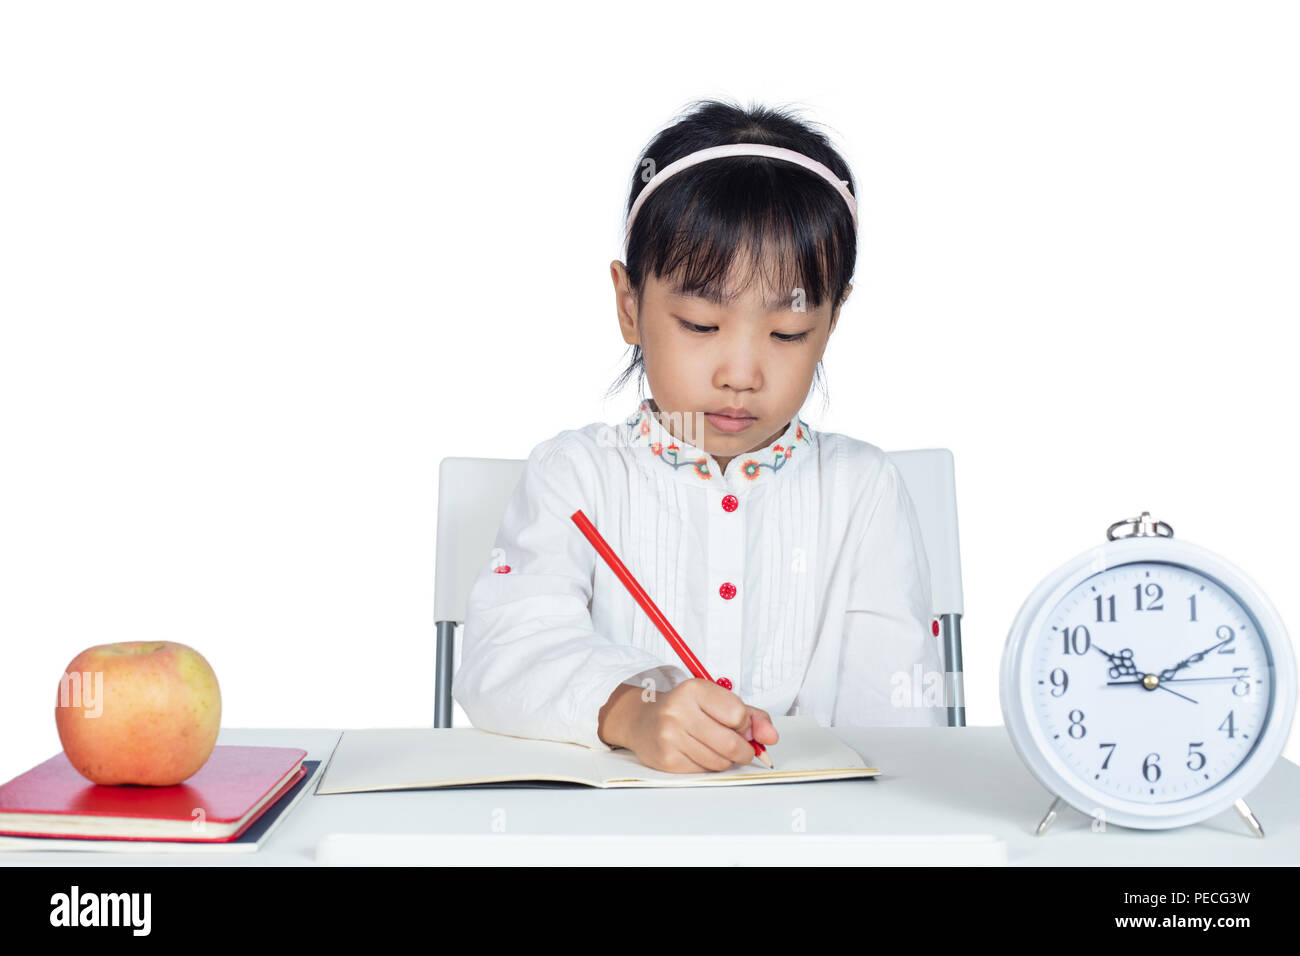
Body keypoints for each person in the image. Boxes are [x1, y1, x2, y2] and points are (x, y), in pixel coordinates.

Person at [454, 98, 945, 774]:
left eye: (788, 333)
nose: (740, 374)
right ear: (630, 305)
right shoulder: (576, 476)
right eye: (700, 325)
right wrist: (631, 710)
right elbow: (503, 656)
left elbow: (898, 731)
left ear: (833, 320)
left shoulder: (864, 491)